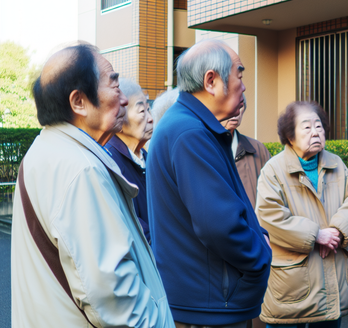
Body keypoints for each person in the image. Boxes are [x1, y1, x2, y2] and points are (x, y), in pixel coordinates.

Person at [11, 43, 174, 327]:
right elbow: (113, 297)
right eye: (114, 85)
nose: (124, 99)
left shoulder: (44, 150)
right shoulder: (81, 169)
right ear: (79, 102)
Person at [147, 39, 272, 328]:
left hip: (205, 299)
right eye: (239, 75)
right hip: (210, 304)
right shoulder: (190, 132)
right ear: (211, 81)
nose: (244, 85)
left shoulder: (190, 126)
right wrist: (261, 254)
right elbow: (219, 225)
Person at [255, 101, 348, 327]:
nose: (316, 132)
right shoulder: (273, 170)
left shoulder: (336, 163)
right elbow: (269, 214)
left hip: (332, 277)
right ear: (290, 135)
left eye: (319, 126)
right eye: (307, 127)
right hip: (293, 281)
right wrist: (316, 234)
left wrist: (336, 231)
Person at [106, 78, 154, 242]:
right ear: (119, 114)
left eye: (149, 109)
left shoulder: (149, 158)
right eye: (142, 111)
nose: (150, 119)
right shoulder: (111, 162)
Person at [221, 96, 271, 207]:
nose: (236, 112)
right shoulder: (204, 147)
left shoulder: (258, 148)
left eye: (240, 106)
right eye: (229, 104)